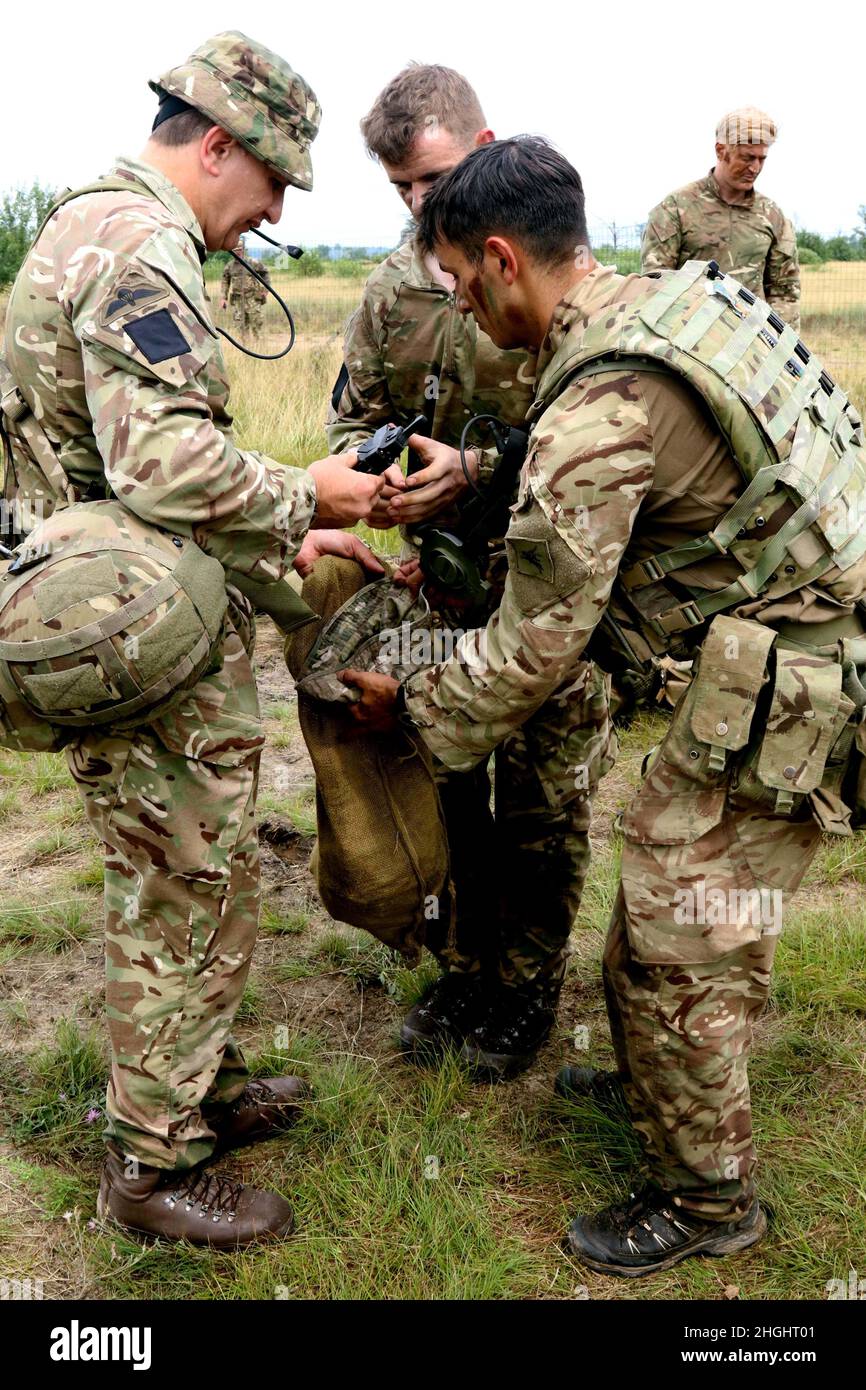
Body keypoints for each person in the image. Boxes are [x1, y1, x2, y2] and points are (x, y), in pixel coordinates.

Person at [341, 135, 866, 1275]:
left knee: (679, 945)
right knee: (669, 922)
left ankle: (706, 1200)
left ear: (496, 259)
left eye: (461, 285)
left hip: (791, 686)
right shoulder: (664, 302)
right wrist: (479, 474)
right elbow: (643, 467)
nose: (464, 311)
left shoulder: (598, 403)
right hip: (791, 646)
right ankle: (659, 1080)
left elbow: (533, 648)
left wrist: (413, 711)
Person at [2, 30, 383, 1248]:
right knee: (178, 883)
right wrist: (307, 498)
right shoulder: (140, 243)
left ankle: (193, 1088)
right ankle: (151, 1167)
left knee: (206, 873)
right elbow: (158, 460)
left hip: (138, 604)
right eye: (269, 188)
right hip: (134, 628)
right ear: (216, 146)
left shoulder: (97, 222)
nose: (265, 219)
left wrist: (289, 557)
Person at [327, 64, 614, 1080]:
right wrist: (381, 479)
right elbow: (351, 417)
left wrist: (474, 472)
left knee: (542, 802)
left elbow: (594, 437)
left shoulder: (548, 276)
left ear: (484, 145)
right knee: (442, 786)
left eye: (435, 179)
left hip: (548, 590)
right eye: (401, 189)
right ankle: (458, 962)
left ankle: (525, 982)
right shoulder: (390, 293)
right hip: (437, 588)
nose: (420, 206)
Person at [641, 106, 800, 331]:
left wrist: (782, 352)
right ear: (720, 150)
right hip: (688, 345)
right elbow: (655, 286)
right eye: (747, 157)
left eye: (761, 159)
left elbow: (785, 293)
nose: (755, 168)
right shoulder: (674, 209)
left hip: (752, 347)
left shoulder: (773, 217)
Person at [221, 238, 271, 336]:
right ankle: (245, 348)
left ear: (243, 250)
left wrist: (265, 290)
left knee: (257, 325)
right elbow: (225, 281)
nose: (237, 253)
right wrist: (223, 298)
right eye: (234, 251)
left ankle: (259, 348)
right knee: (241, 327)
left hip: (252, 298)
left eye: (239, 250)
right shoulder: (230, 266)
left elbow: (265, 273)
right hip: (238, 300)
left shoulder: (253, 263)